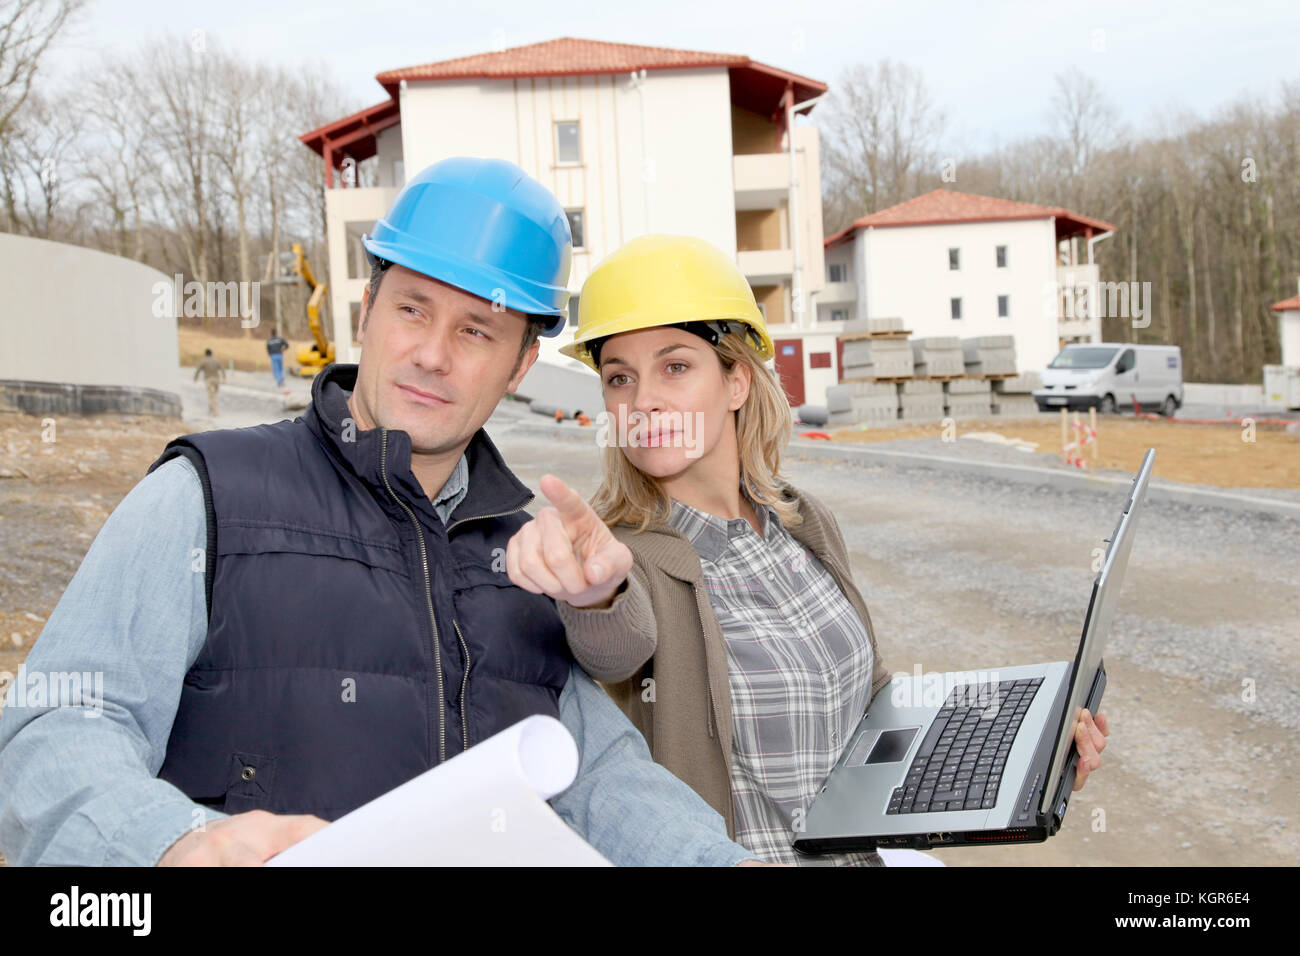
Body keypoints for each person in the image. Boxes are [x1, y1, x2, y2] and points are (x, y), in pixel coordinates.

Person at [0, 163, 760, 867]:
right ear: (368, 311)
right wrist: (171, 842)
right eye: (412, 309)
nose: (432, 353)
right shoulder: (207, 497)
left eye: (476, 330)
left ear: (521, 364)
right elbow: (59, 727)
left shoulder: (527, 552)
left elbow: (601, 780)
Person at [504, 234, 1111, 866]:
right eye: (619, 377)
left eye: (675, 366)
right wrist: (594, 594)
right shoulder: (624, 558)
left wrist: (1023, 749)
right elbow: (614, 648)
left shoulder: (801, 519)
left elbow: (872, 703)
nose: (643, 399)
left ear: (736, 379)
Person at [193, 347, 226, 416]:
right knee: (213, 396)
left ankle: (215, 413)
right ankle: (212, 410)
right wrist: (224, 378)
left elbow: (198, 370)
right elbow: (222, 369)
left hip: (208, 380)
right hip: (217, 380)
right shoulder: (216, 360)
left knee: (212, 396)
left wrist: (195, 378)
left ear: (205, 354)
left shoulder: (203, 361)